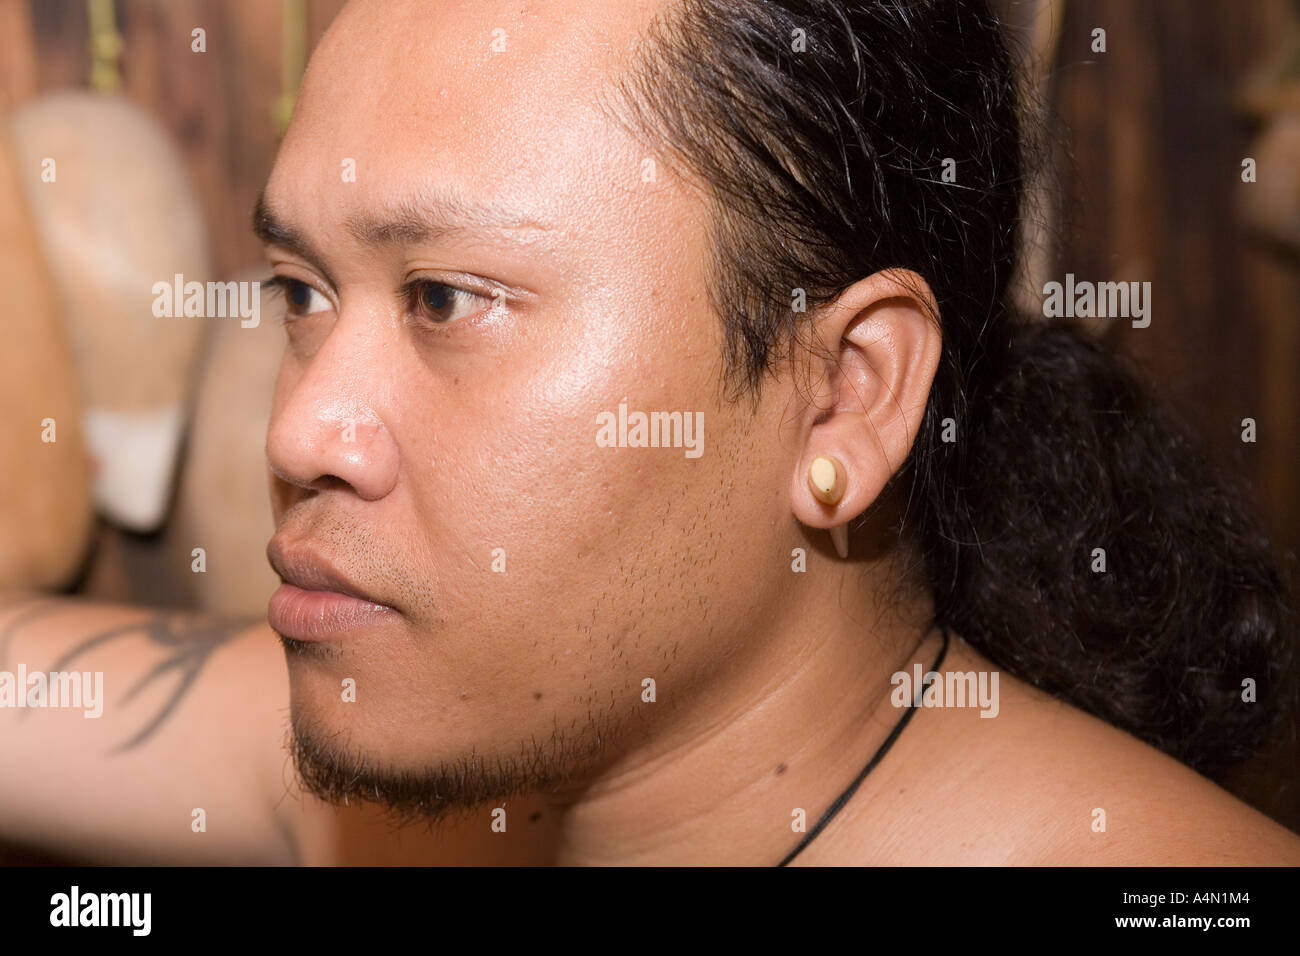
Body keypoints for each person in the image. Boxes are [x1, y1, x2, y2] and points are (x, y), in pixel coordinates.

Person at [2, 0, 1298, 866]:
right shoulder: (440, 772)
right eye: (301, 294)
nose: (303, 430)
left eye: (449, 299)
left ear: (846, 394)